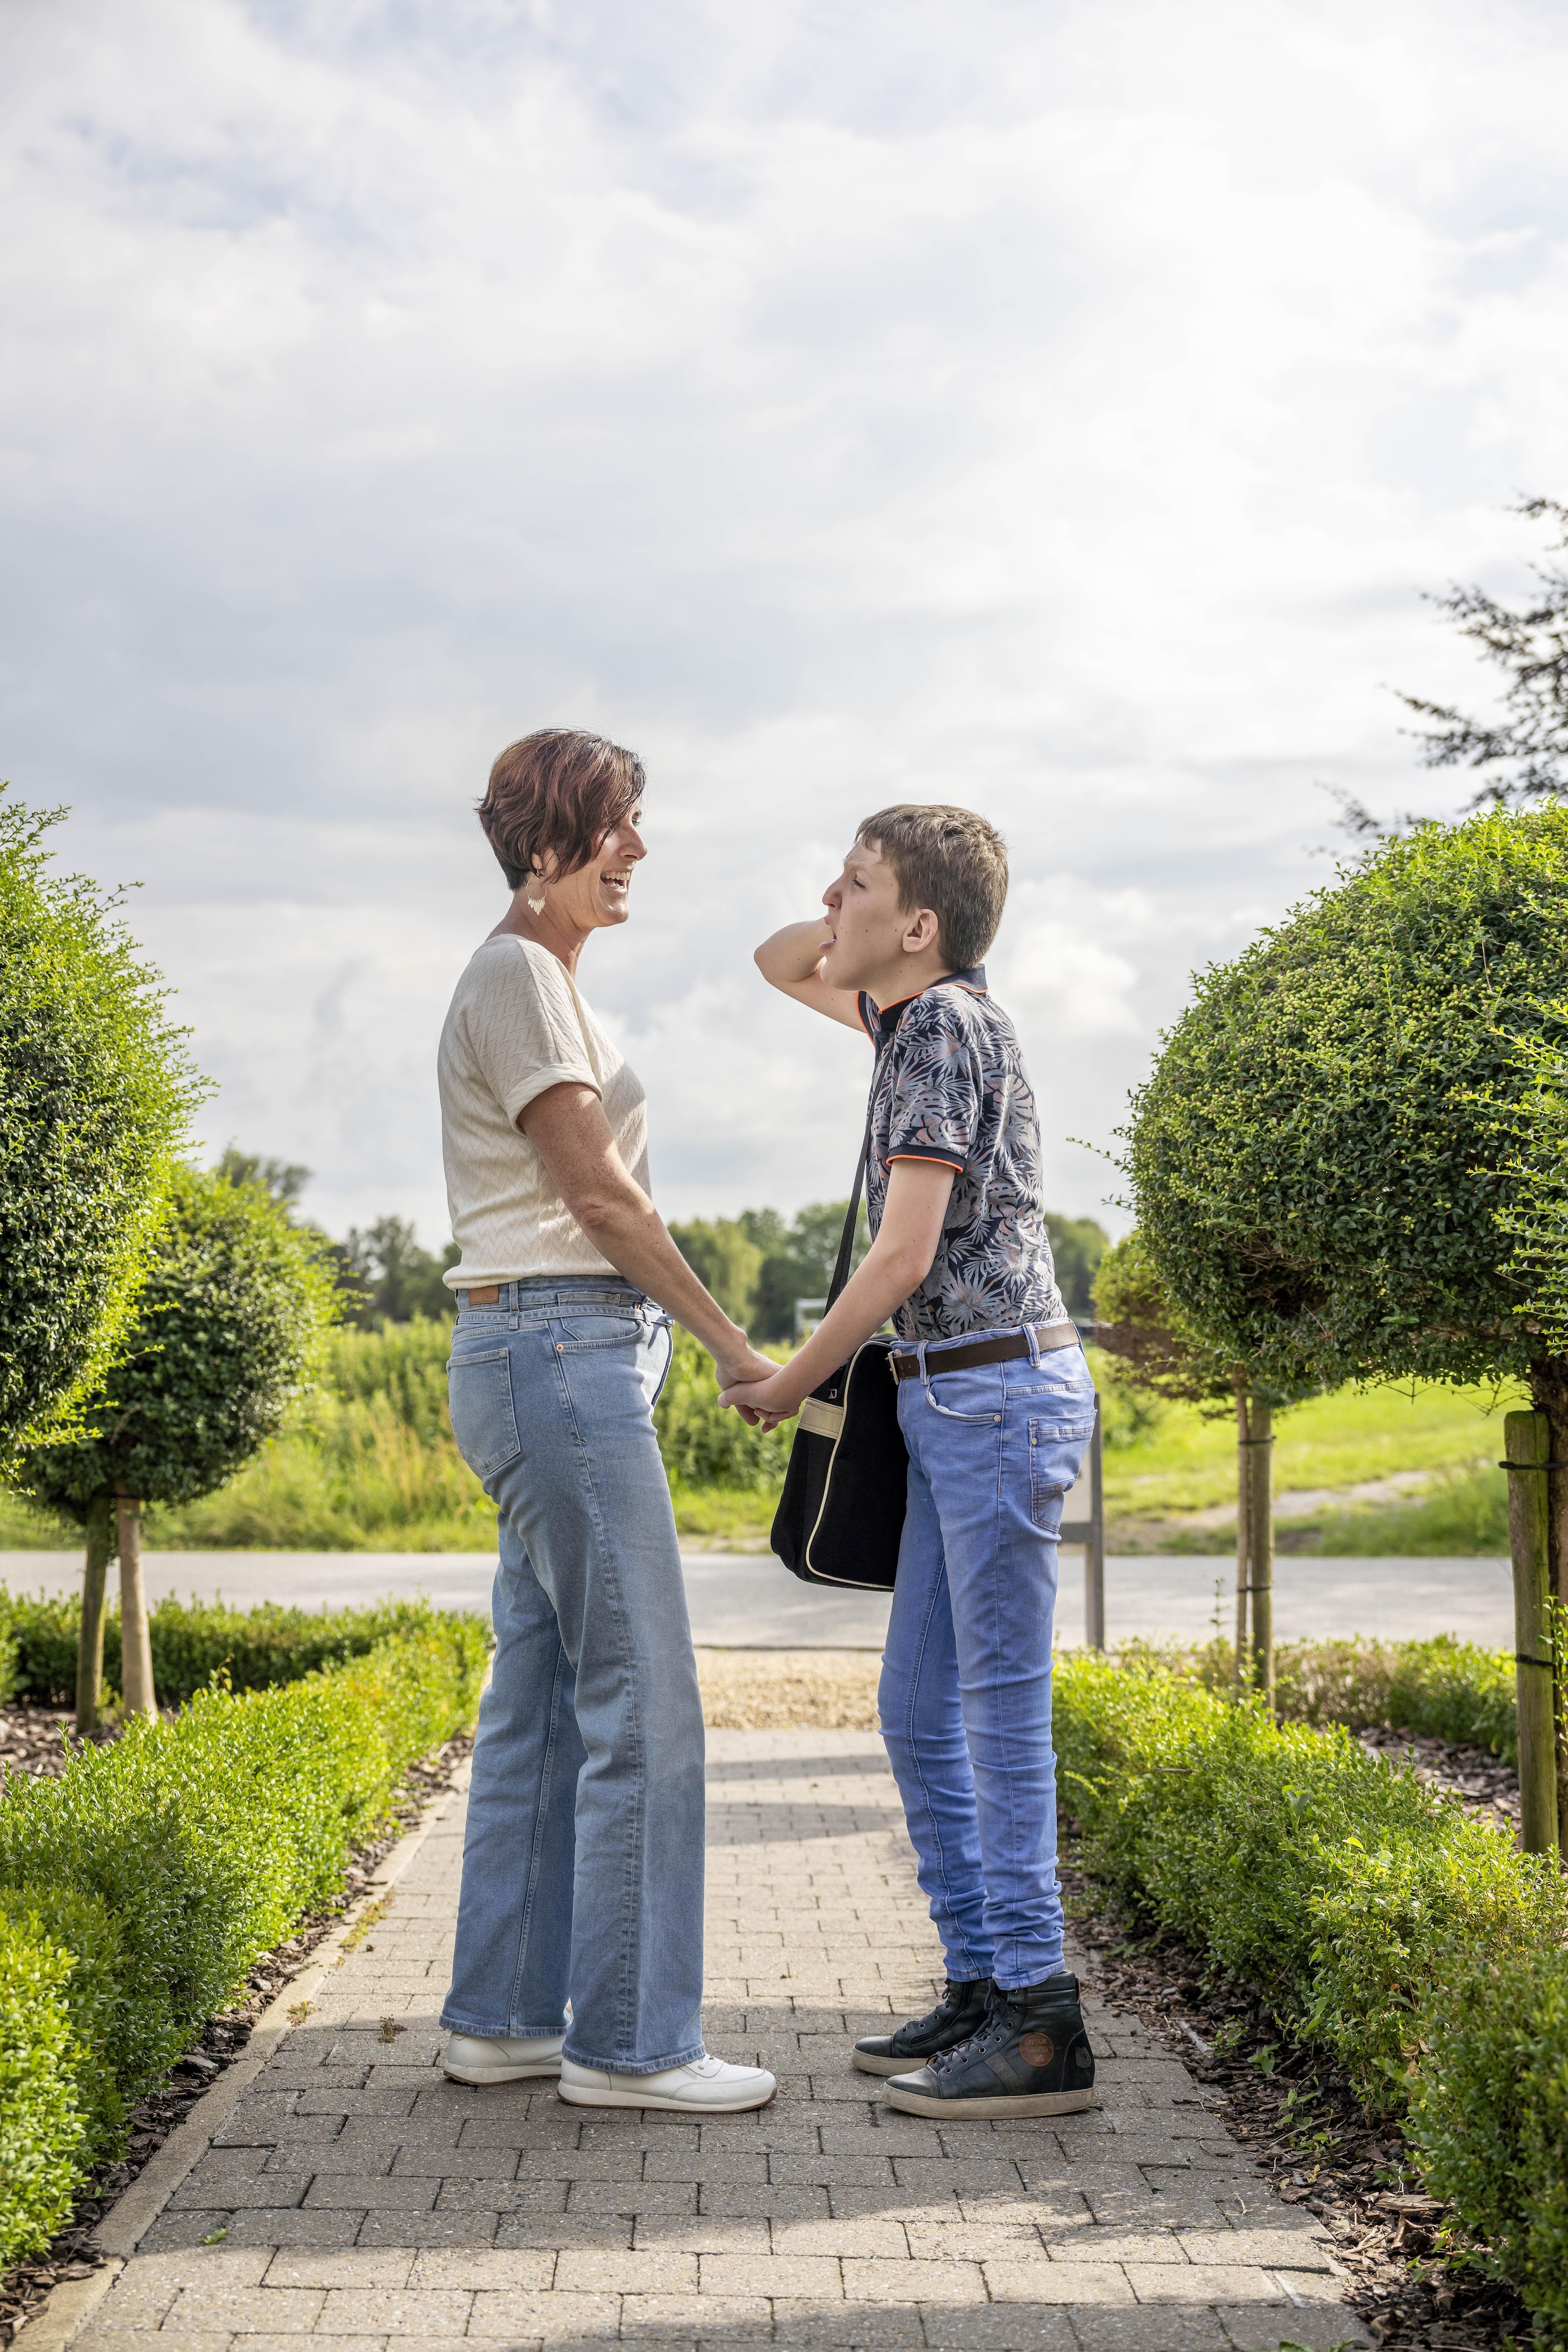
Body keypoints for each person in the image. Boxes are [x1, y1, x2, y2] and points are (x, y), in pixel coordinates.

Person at [723, 804, 1099, 2119]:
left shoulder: (939, 1026)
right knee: (915, 1706)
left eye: (860, 882)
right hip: (961, 1402)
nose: (831, 896)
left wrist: (784, 1384)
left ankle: (1042, 2022)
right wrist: (849, 912)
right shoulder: (915, 1019)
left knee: (994, 1714)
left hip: (996, 1399)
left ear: (922, 925)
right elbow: (783, 962)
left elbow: (901, 1257)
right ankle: (986, 1983)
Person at [438, 726, 779, 2114]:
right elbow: (600, 1200)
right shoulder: (520, 973)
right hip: (557, 1349)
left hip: (548, 1353)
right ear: (545, 843)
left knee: (539, 1697)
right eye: (615, 825)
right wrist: (733, 1348)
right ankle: (632, 2043)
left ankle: (505, 2018)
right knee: (645, 1701)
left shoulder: (545, 979)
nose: (637, 849)